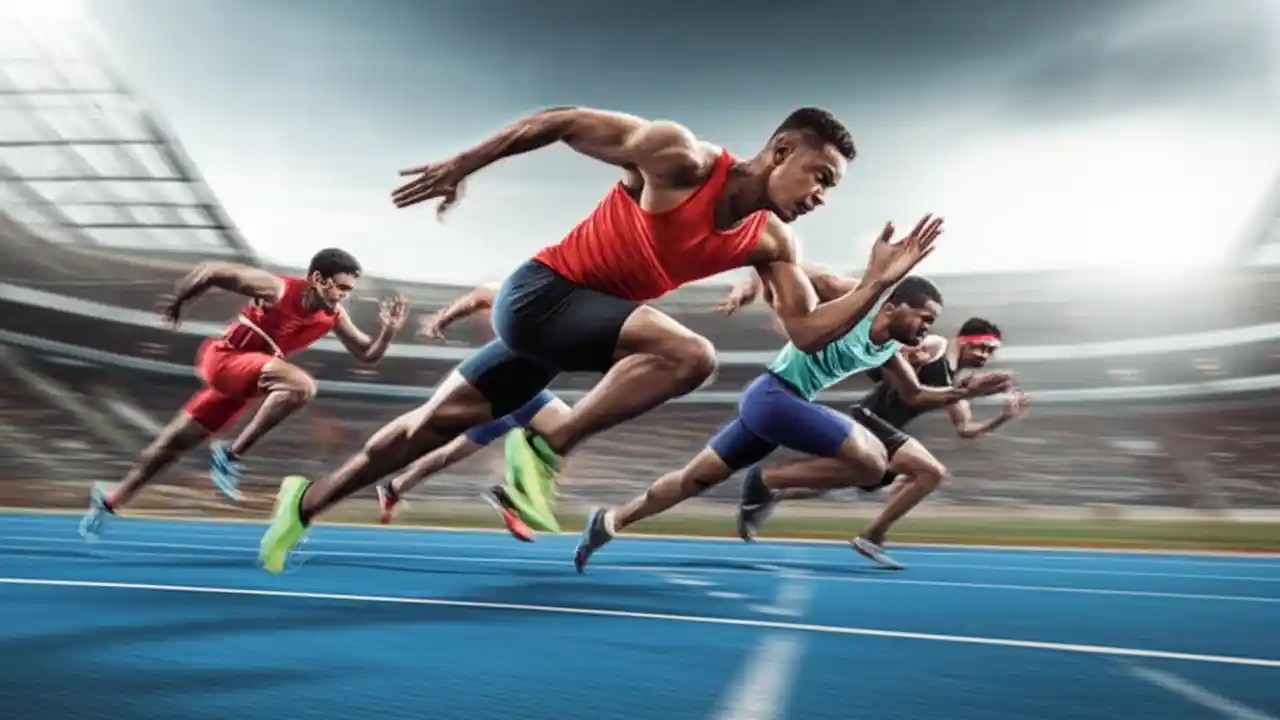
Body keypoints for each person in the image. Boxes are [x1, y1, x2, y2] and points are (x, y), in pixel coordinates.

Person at [258, 104, 942, 574]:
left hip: (569, 331)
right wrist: (466, 162)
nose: (822, 194)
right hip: (539, 296)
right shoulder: (680, 158)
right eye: (820, 176)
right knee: (690, 354)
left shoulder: (770, 240)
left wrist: (876, 283)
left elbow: (807, 331)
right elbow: (563, 122)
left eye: (834, 187)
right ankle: (544, 447)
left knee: (429, 429)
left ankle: (303, 505)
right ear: (782, 149)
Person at [572, 277, 1014, 573]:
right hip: (774, 395)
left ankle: (609, 521)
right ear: (894, 306)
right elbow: (794, 268)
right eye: (925, 318)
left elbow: (915, 395)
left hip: (773, 409)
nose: (927, 329)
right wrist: (752, 285)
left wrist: (966, 394)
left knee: (693, 480)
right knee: (872, 461)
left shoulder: (887, 352)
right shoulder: (852, 313)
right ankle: (763, 484)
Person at [78, 248, 408, 540]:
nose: (344, 296)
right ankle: (231, 455)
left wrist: (388, 332)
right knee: (301, 386)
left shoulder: (333, 315)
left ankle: (109, 501)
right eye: (341, 287)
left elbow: (367, 354)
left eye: (350, 290)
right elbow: (213, 271)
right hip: (224, 359)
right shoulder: (277, 289)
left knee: (170, 445)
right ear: (318, 279)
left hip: (244, 382)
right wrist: (179, 302)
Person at [737, 317, 1029, 569]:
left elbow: (965, 428)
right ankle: (871, 536)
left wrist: (1002, 417)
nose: (984, 354)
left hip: (885, 432)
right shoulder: (938, 346)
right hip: (870, 420)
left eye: (990, 351)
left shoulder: (956, 383)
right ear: (963, 341)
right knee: (931, 473)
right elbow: (902, 352)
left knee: (827, 484)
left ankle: (769, 489)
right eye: (980, 346)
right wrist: (910, 355)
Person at [376, 283, 572, 541]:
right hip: (513, 385)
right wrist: (442, 319)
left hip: (512, 392)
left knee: (450, 454)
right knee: (570, 429)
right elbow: (482, 297)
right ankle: (512, 498)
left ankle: (394, 488)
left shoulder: (578, 312)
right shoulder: (542, 301)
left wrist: (443, 320)